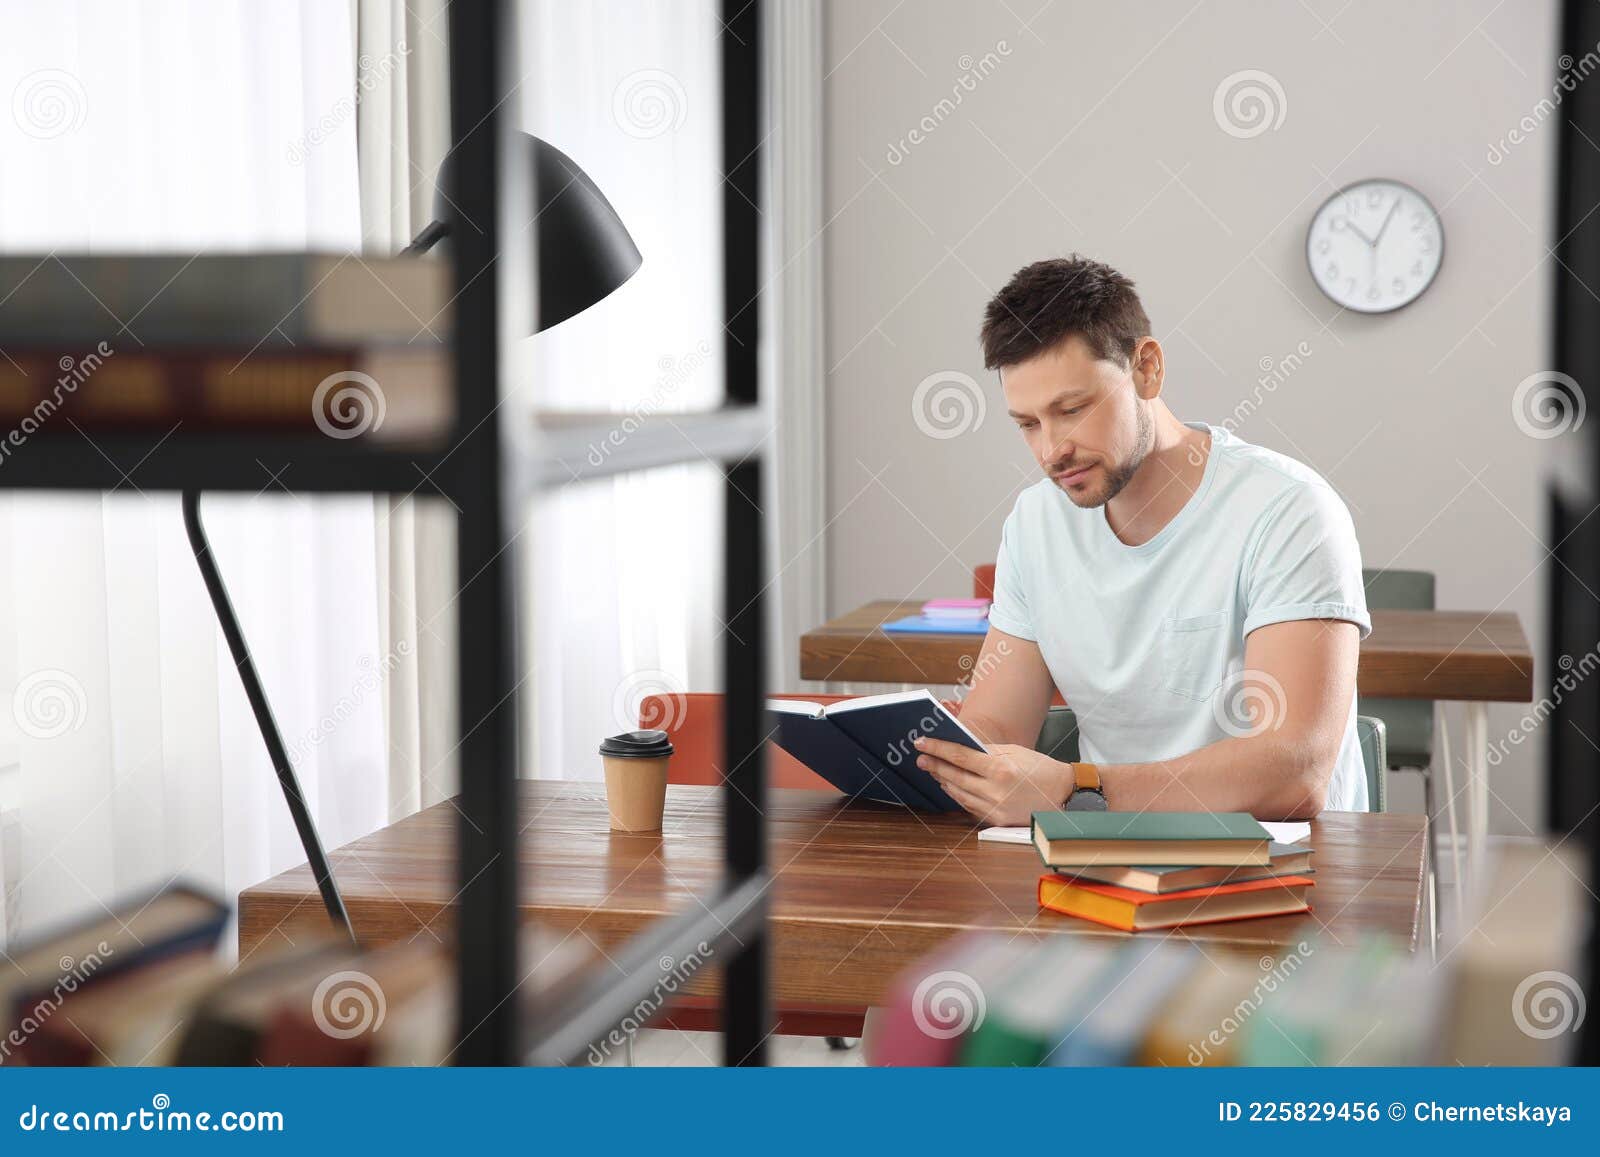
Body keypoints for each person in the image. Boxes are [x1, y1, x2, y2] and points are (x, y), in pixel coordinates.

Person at [913, 255, 1369, 823]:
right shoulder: (1035, 523)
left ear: (1147, 368)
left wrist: (1076, 791)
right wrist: (929, 752)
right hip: (1104, 861)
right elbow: (1001, 726)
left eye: (1072, 409)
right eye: (1027, 424)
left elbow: (1293, 774)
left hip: (1281, 870)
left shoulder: (1288, 509)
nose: (1051, 449)